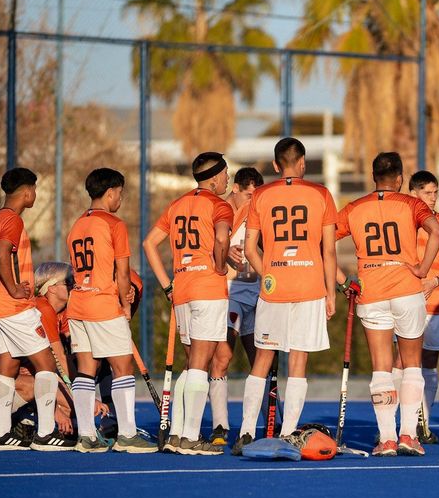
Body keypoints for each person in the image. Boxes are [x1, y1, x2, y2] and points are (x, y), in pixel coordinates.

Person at [232, 138, 339, 455]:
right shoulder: (321, 194)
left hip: (273, 289)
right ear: (303, 162)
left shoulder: (261, 195)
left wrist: (270, 273)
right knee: (298, 361)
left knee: (262, 360)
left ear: (277, 165)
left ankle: (246, 432)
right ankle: (290, 433)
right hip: (309, 287)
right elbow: (329, 250)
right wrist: (331, 292)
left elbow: (250, 248)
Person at [337, 152, 439, 457]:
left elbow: (322, 240)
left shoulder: (355, 208)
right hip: (407, 290)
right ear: (399, 179)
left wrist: (343, 281)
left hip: (372, 291)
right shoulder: (411, 204)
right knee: (411, 364)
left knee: (381, 368)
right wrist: (423, 268)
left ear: (373, 177)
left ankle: (387, 439)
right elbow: (436, 231)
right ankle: (409, 434)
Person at [0, 167, 72, 450]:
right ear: (27, 192)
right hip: (15, 306)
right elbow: (2, 253)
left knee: (8, 366)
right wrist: (13, 288)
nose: (35, 195)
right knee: (46, 365)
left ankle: (2, 433)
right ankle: (45, 433)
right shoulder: (13, 221)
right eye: (35, 190)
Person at [144, 152, 234, 456]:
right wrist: (220, 266)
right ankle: (191, 437)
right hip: (208, 288)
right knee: (200, 364)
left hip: (181, 289)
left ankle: (179, 433)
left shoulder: (177, 205)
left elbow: (148, 243)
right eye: (225, 174)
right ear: (214, 177)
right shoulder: (220, 205)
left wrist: (167, 284)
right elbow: (221, 239)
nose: (228, 179)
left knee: (191, 364)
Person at [66, 168, 155, 454]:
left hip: (78, 303)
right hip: (104, 304)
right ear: (110, 193)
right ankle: (128, 435)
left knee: (86, 370)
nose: (121, 198)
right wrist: (126, 305)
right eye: (120, 193)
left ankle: (87, 436)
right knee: (122, 367)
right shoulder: (114, 224)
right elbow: (123, 271)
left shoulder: (77, 225)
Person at [0, 262, 80, 448]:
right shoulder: (41, 310)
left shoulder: (56, 312)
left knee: (55, 387)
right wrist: (81, 398)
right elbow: (55, 359)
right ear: (51, 287)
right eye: (68, 282)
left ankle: (20, 423)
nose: (73, 286)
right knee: (48, 387)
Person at [394, 170, 439, 443]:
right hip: (404, 301)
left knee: (430, 362)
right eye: (427, 192)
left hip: (436, 305)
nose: (433, 198)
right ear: (414, 193)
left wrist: (434, 281)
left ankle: (423, 423)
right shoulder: (401, 222)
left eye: (435, 192)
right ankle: (395, 424)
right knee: (401, 361)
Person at [205, 166, 265, 447]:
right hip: (229, 294)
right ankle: (220, 426)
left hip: (258, 294)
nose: (254, 201)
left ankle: (268, 423)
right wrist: (223, 249)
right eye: (249, 195)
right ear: (236, 190)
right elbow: (200, 245)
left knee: (261, 361)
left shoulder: (260, 212)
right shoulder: (219, 212)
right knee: (222, 358)